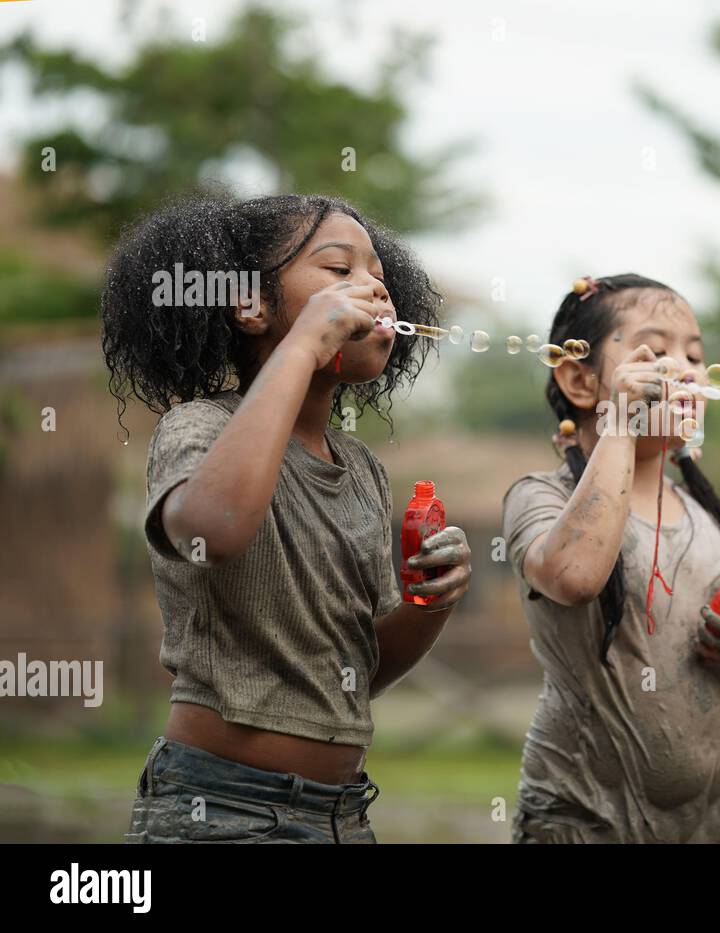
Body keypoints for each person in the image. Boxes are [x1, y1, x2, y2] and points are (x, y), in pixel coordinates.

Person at [102, 193, 472, 842]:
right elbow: (212, 530)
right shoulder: (200, 428)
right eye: (339, 271)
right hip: (220, 808)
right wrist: (306, 343)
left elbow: (361, 668)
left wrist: (428, 599)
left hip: (342, 814)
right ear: (250, 304)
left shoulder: (361, 469)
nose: (376, 293)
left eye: (382, 281)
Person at [502, 273, 720, 843]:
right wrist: (621, 425)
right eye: (655, 352)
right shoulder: (542, 498)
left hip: (708, 828)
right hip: (582, 822)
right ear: (581, 382)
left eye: (695, 355)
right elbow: (577, 576)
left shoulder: (710, 518)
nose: (684, 368)